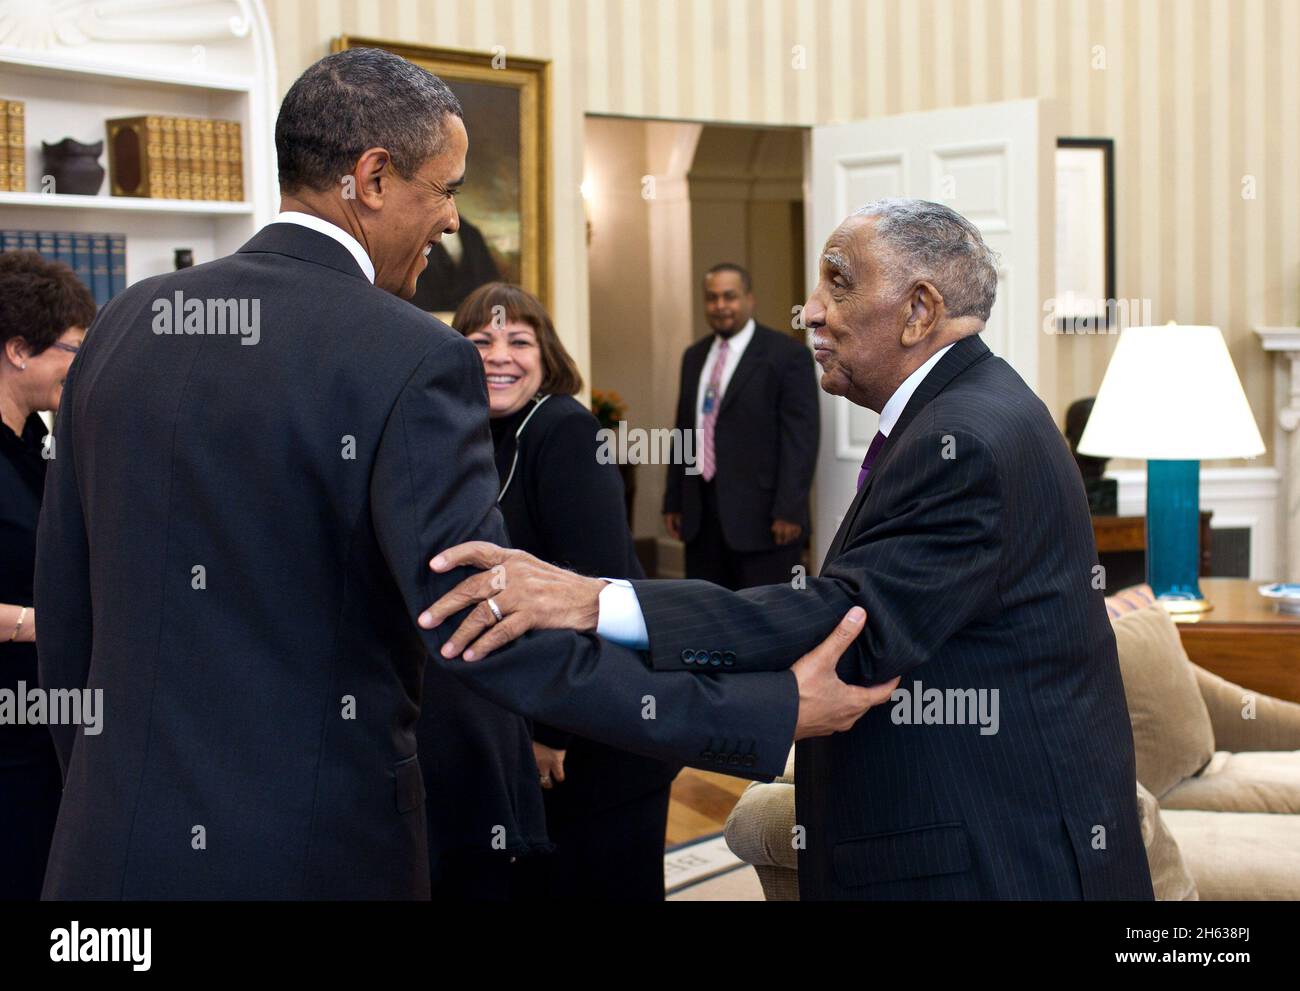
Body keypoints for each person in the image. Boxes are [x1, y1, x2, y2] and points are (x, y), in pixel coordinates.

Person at [34, 47, 888, 900]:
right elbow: (484, 629)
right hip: (311, 853)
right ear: (372, 178)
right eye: (444, 188)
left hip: (105, 848)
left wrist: (99, 790)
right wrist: (767, 707)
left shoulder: (123, 322)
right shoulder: (410, 355)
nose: (450, 220)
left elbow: (67, 609)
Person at [421, 198, 1156, 901]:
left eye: (838, 280)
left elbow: (849, 628)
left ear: (920, 310)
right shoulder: (964, 409)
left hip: (992, 853)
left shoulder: (963, 439)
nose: (808, 310)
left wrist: (593, 597)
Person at [450, 281, 679, 901]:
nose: (499, 355)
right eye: (480, 341)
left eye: (518, 341)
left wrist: (555, 732)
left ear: (547, 357)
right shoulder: (481, 435)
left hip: (598, 727)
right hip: (544, 706)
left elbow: (602, 587)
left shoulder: (565, 431)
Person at [0, 250, 94, 900]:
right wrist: (43, 622)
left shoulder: (42, 441)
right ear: (17, 349)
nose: (82, 367)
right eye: (71, 350)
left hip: (48, 729)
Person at [663, 264, 818, 589]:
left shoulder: (787, 355)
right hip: (700, 517)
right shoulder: (694, 356)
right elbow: (684, 430)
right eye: (712, 298)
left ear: (749, 299)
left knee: (763, 618)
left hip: (764, 520)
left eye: (729, 297)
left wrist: (790, 509)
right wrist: (674, 500)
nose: (720, 306)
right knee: (707, 612)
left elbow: (800, 439)